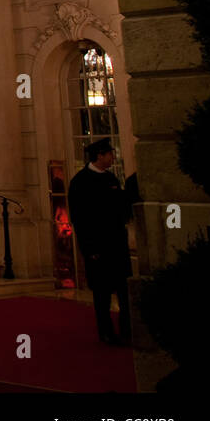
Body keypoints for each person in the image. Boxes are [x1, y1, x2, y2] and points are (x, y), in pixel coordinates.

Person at [67, 138, 133, 345]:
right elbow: (79, 218)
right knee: (102, 293)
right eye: (109, 154)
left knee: (124, 290)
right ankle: (106, 332)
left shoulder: (111, 178)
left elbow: (121, 207)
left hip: (118, 244)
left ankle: (126, 330)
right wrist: (89, 248)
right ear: (99, 156)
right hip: (98, 247)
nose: (113, 157)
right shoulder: (80, 182)